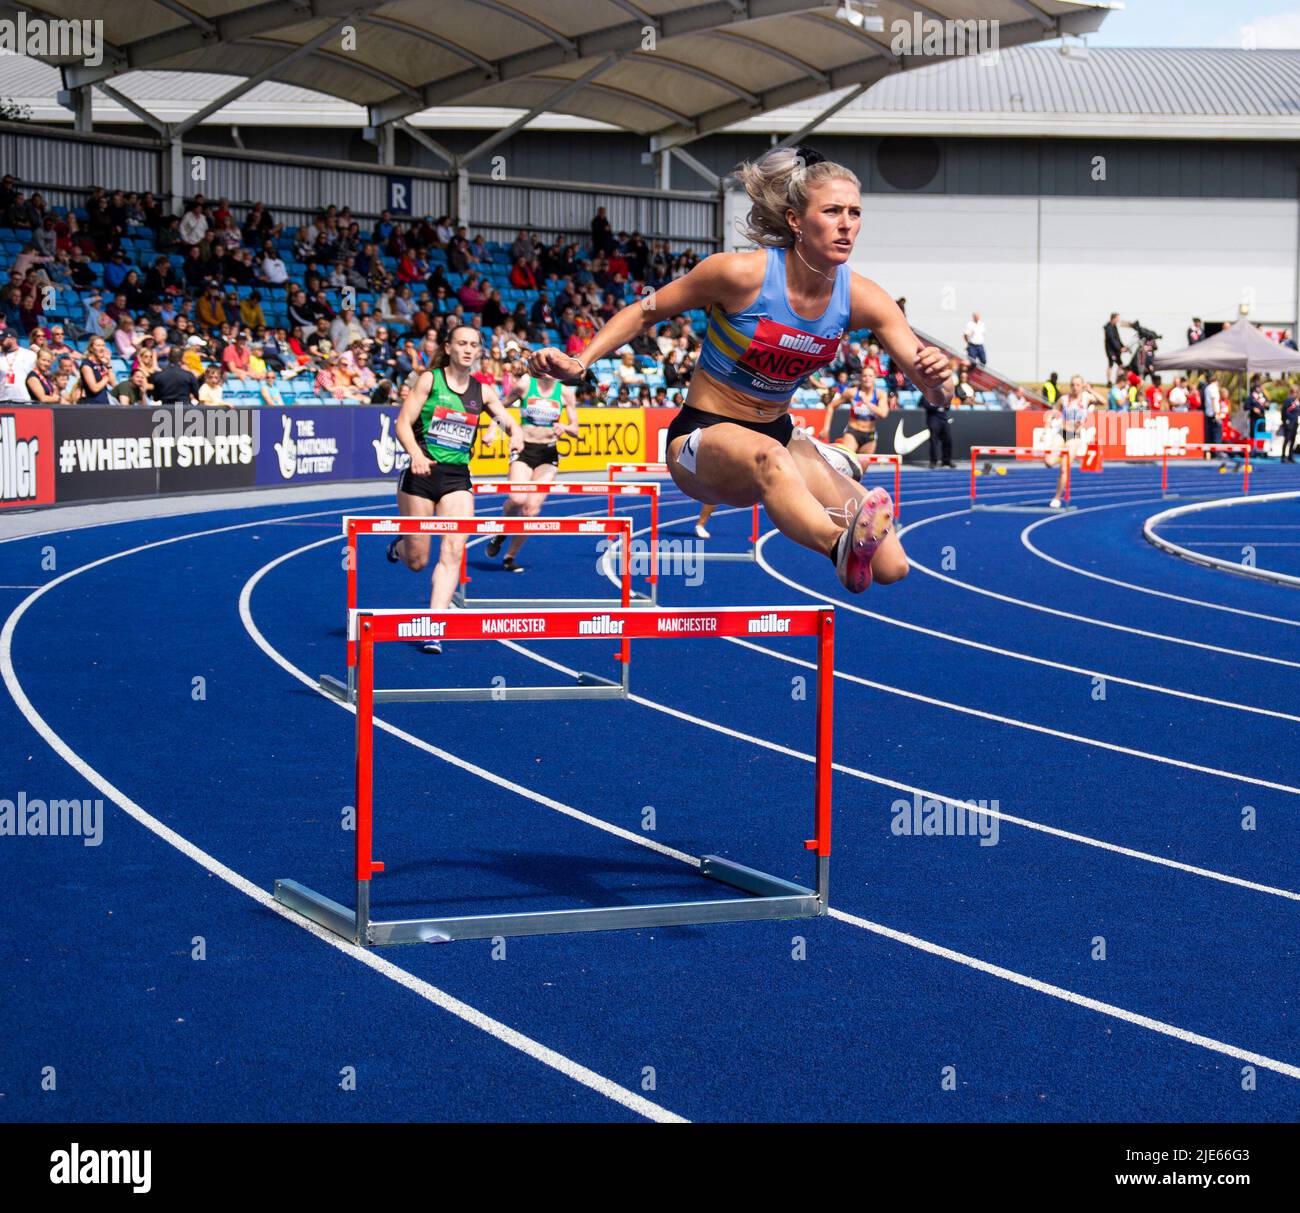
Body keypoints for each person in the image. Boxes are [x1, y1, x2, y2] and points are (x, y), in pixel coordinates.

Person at [529, 146, 946, 592]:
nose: (847, 224)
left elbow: (935, 396)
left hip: (778, 432)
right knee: (774, 461)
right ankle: (837, 546)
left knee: (890, 566)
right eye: (831, 211)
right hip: (702, 438)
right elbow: (645, 312)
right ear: (795, 220)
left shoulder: (865, 298)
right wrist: (581, 361)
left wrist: (936, 382)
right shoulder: (739, 275)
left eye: (855, 212)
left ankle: (823, 474)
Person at [388, 325, 524, 652]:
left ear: (479, 351)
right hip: (421, 475)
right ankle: (400, 547)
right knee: (418, 560)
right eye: (461, 343)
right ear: (448, 347)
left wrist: (512, 432)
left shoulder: (483, 391)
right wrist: (416, 455)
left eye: (474, 345)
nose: (467, 349)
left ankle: (433, 625)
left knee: (452, 552)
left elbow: (507, 419)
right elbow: (402, 423)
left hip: (457, 478)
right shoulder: (429, 380)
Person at [481, 362, 580, 572]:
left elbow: (576, 429)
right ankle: (501, 533)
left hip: (548, 453)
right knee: (517, 499)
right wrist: (492, 431)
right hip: (524, 449)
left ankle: (509, 557)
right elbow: (500, 407)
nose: (552, 371)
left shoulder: (565, 393)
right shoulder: (526, 384)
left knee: (531, 510)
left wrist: (565, 428)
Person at [1044, 375, 1100, 508]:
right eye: (1073, 385)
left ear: (1082, 386)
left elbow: (1102, 401)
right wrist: (1047, 427)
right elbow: (1052, 412)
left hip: (1075, 436)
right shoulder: (1064, 399)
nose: (1075, 388)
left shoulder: (1087, 398)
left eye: (1078, 385)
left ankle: (1057, 498)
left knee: (1064, 469)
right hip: (1061, 433)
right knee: (1048, 462)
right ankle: (1059, 457)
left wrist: (1090, 390)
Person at [822, 366, 888, 461]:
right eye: (865, 376)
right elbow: (831, 406)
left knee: (861, 472)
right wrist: (826, 428)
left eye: (870, 376)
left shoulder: (880, 394)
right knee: (847, 463)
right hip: (853, 432)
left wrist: (866, 402)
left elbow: (883, 414)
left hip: (870, 435)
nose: (867, 378)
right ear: (861, 377)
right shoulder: (851, 392)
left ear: (875, 378)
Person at [1281, 380, 1298, 464]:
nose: (1296, 393)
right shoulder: (1288, 401)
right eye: (1294, 392)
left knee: (1293, 440)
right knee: (1286, 439)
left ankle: (1290, 456)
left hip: (1295, 423)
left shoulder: (1296, 402)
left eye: (1297, 392)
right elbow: (1284, 412)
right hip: (1289, 423)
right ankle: (1283, 456)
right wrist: (1285, 421)